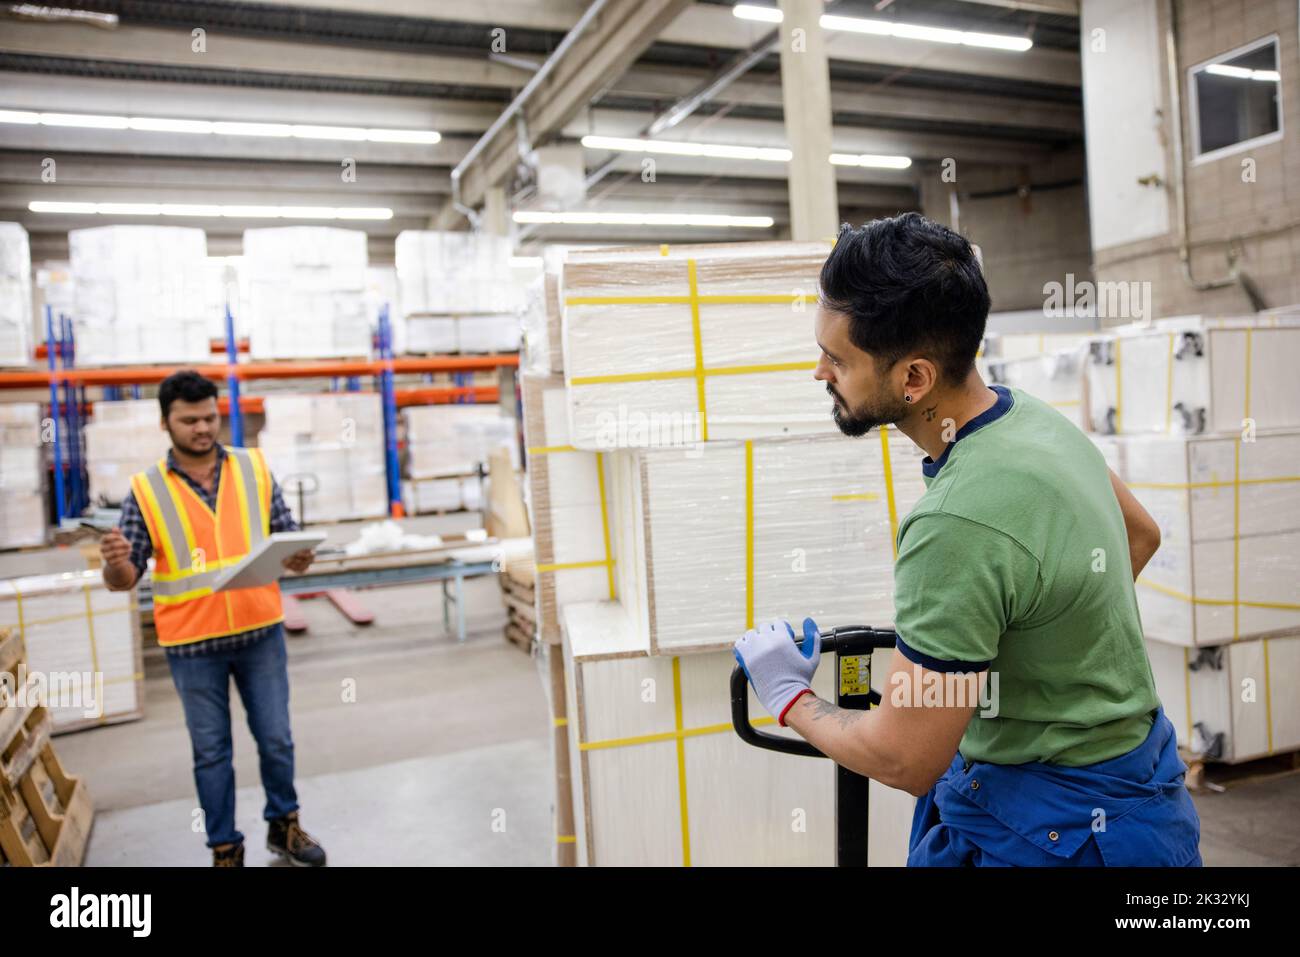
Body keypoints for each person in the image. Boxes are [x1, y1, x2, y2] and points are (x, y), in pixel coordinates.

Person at [733, 213, 1201, 866]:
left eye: (837, 358)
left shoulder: (953, 523)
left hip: (1054, 838)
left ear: (914, 379)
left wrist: (791, 696)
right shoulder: (1031, 418)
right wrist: (1035, 659)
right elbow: (1139, 535)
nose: (820, 372)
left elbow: (905, 757)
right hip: (1141, 800)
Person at [99, 370, 326, 867]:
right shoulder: (146, 490)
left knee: (275, 738)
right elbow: (126, 576)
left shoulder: (254, 468)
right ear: (166, 423)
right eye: (189, 420)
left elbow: (284, 533)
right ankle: (225, 846)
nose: (202, 428)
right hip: (192, 642)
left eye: (210, 417)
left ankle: (283, 826)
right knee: (211, 753)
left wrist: (299, 556)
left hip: (259, 630)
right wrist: (116, 564)